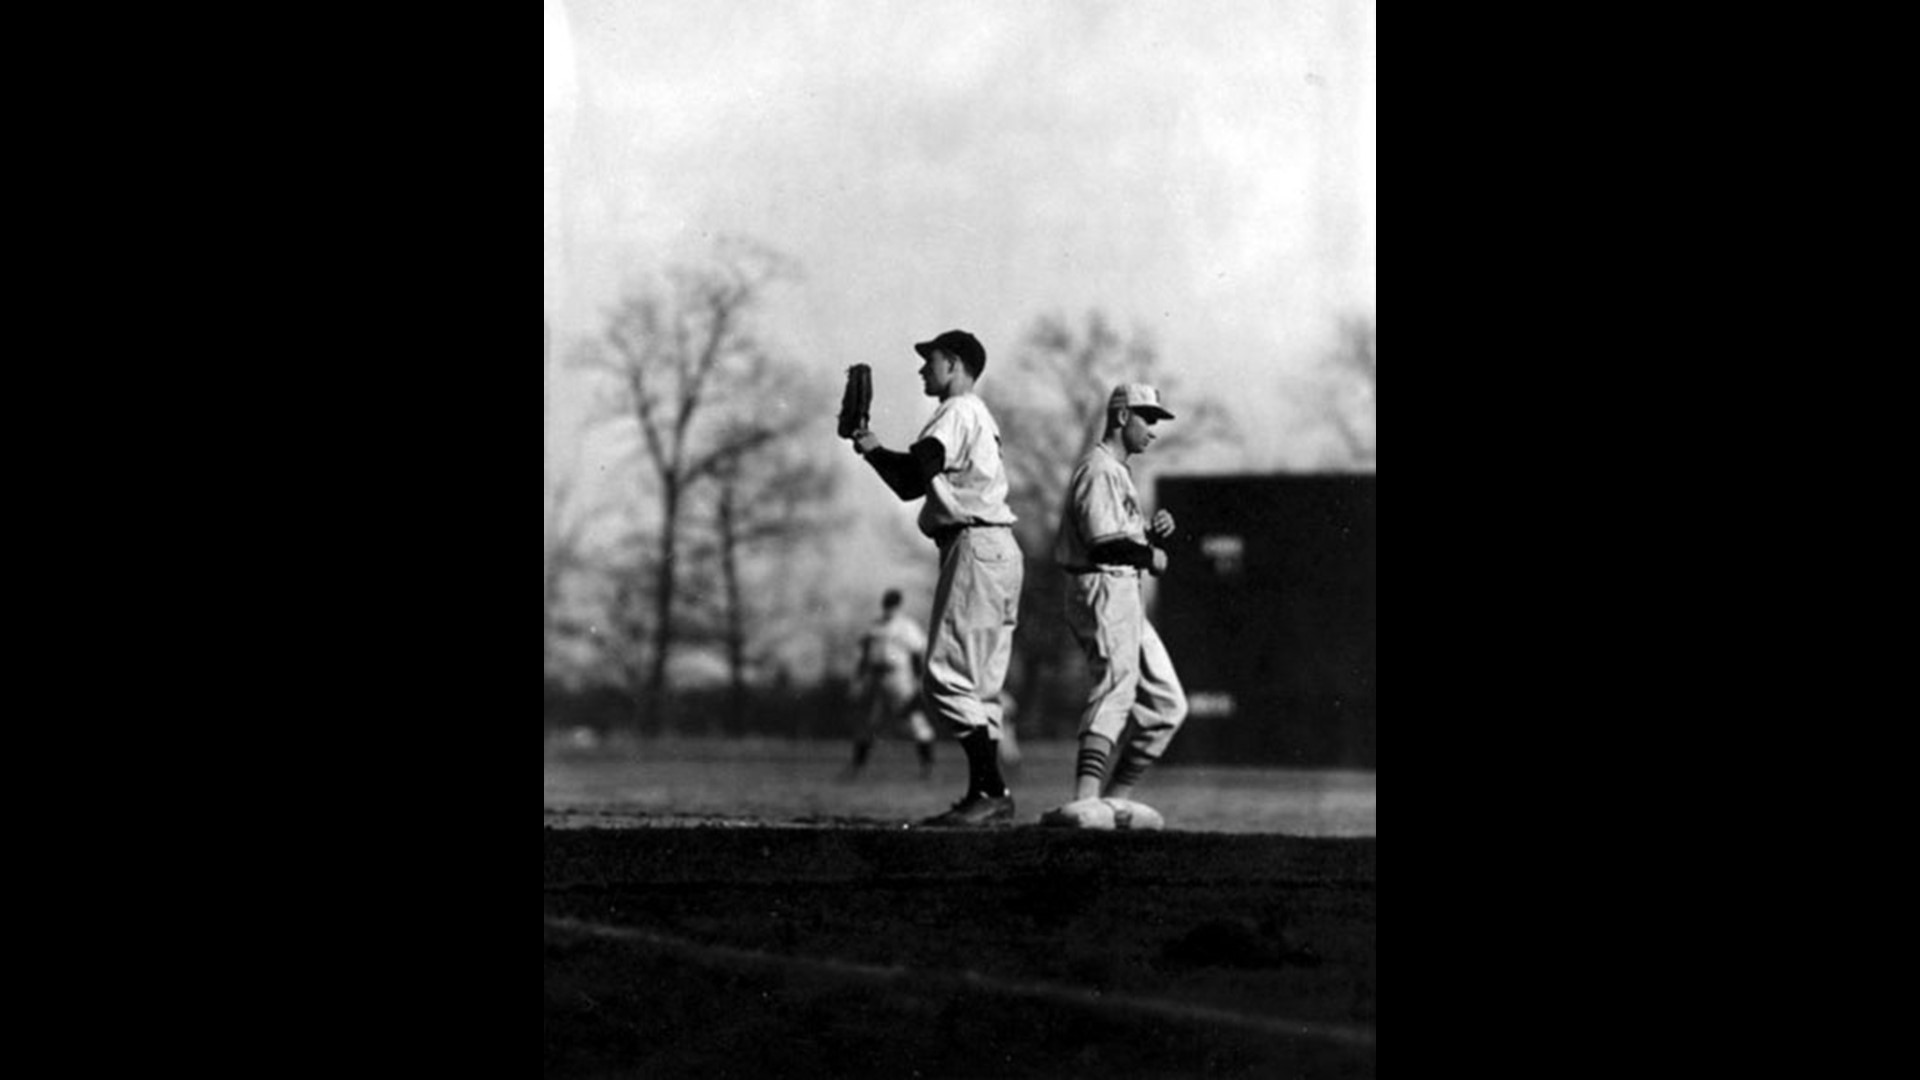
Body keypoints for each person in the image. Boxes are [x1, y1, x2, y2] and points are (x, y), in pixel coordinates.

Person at [849, 329, 1024, 827]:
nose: (924, 369)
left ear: (954, 363)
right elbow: (916, 479)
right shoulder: (981, 417)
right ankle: (989, 797)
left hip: (974, 547)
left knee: (944, 679)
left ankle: (989, 791)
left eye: (931, 360)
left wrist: (870, 446)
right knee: (981, 686)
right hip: (1000, 550)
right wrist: (874, 448)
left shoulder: (958, 411)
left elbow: (910, 481)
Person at [1042, 383, 1190, 829]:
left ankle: (1113, 801)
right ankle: (1085, 800)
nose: (1154, 430)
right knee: (1115, 687)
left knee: (1167, 705)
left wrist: (1151, 534)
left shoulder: (1118, 472)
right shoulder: (1098, 468)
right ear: (1123, 416)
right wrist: (1150, 555)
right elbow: (1103, 543)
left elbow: (1119, 535)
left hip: (1123, 589)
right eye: (1149, 418)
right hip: (1100, 586)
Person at [845, 588, 936, 779]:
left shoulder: (906, 626)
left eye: (893, 603)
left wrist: (920, 680)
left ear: (899, 605)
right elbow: (863, 656)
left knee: (915, 721)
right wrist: (859, 679)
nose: (889, 607)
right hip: (875, 677)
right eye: (887, 603)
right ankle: (857, 767)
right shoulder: (874, 626)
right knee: (867, 723)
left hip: (899, 678)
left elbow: (919, 653)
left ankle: (927, 767)